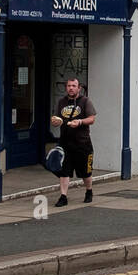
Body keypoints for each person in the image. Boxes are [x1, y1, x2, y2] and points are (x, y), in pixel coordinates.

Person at [51, 77, 96, 206]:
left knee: (85, 172)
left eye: (73, 86)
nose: (71, 88)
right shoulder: (61, 102)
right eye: (69, 86)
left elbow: (92, 119)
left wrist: (80, 122)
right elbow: (55, 119)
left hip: (82, 143)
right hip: (65, 143)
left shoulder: (85, 101)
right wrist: (55, 121)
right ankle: (63, 197)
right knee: (64, 171)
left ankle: (89, 191)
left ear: (79, 88)